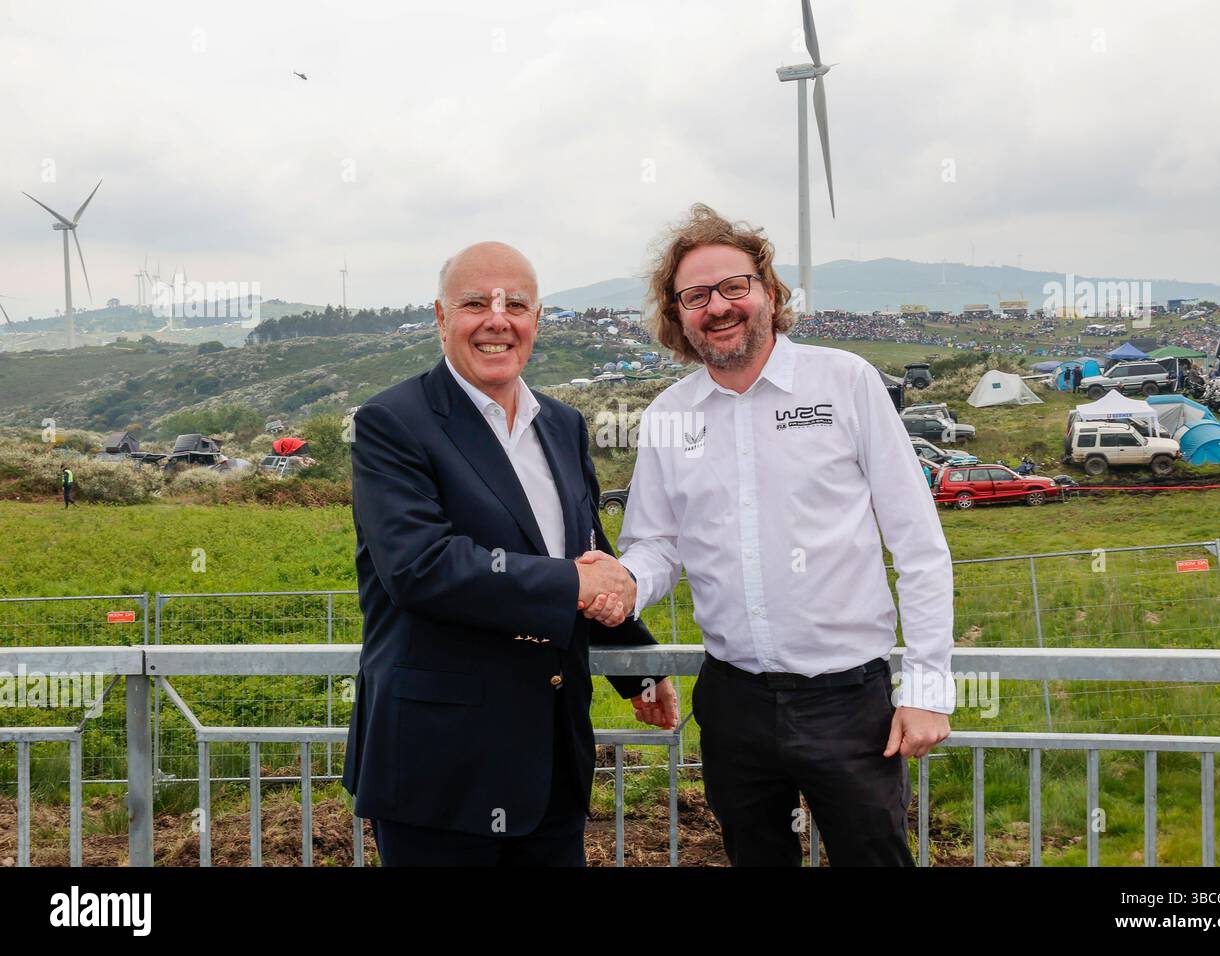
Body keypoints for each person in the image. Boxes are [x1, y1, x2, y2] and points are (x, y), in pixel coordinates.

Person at [616, 204, 954, 866]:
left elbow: (917, 545)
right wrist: (619, 585)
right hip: (733, 701)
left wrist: (928, 690)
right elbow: (656, 548)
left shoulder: (845, 383)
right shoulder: (667, 417)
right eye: (695, 295)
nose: (718, 306)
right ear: (677, 314)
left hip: (849, 703)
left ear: (768, 291)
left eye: (734, 286)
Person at [342, 241, 677, 867]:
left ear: (537, 319)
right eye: (476, 304)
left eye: (515, 305)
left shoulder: (562, 424)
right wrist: (572, 584)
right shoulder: (391, 422)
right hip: (439, 771)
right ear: (441, 317)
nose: (498, 321)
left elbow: (586, 556)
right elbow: (421, 567)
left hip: (551, 762)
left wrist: (638, 666)